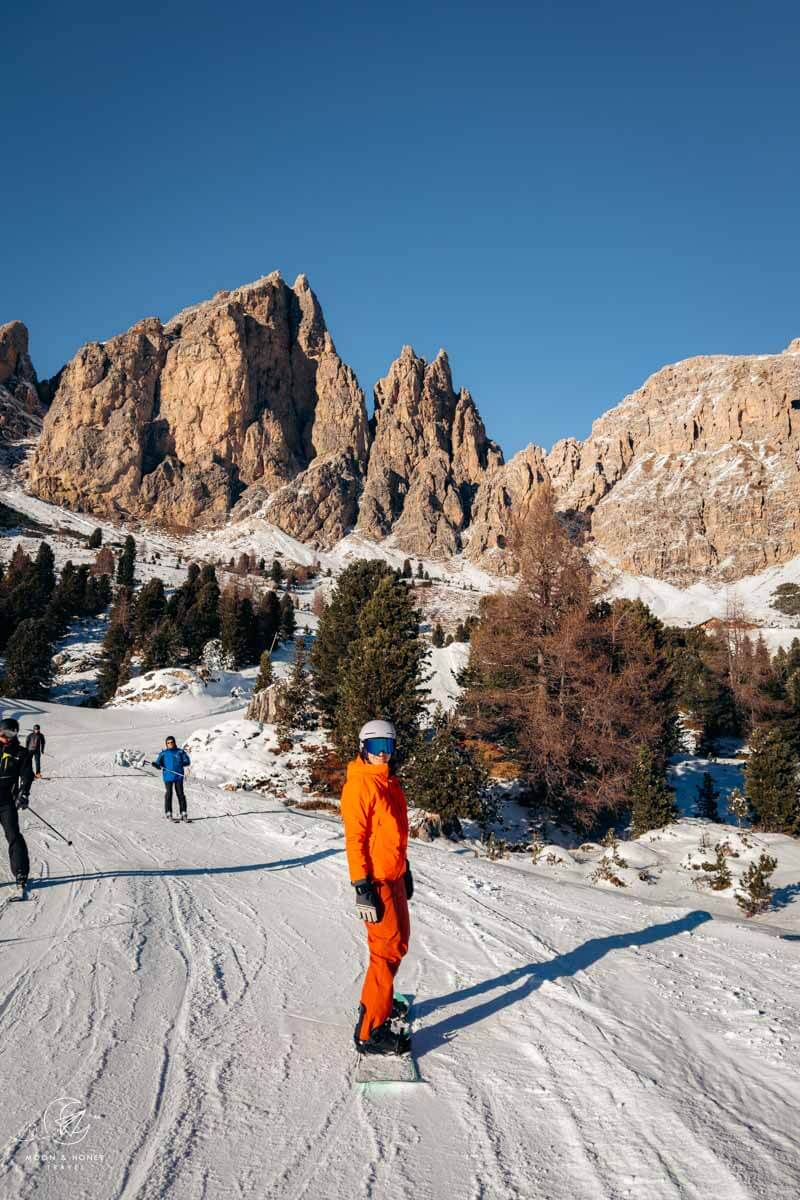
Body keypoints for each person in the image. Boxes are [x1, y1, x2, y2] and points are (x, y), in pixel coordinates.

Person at [340, 719, 414, 1056]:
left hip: (394, 876)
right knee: (384, 953)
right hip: (376, 881)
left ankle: (377, 1001)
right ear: (362, 748)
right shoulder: (360, 786)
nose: (382, 754)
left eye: (388, 747)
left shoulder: (389, 783)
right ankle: (370, 1031)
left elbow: (394, 835)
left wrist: (406, 868)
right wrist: (361, 886)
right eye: (375, 748)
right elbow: (354, 841)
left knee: (398, 945)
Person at [0, 718, 30, 889]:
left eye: (11, 733)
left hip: (6, 802)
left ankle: (20, 872)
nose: (6, 737)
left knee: (13, 836)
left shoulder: (20, 753)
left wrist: (24, 793)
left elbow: (26, 775)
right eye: (3, 732)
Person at [153, 736, 191, 822]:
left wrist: (182, 762)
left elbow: (187, 761)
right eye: (168, 743)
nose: (170, 744)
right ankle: (168, 813)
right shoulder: (163, 753)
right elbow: (158, 764)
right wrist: (156, 765)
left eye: (171, 742)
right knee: (169, 794)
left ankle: (183, 813)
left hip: (178, 776)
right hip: (168, 776)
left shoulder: (180, 752)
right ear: (166, 744)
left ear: (174, 742)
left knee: (180, 794)